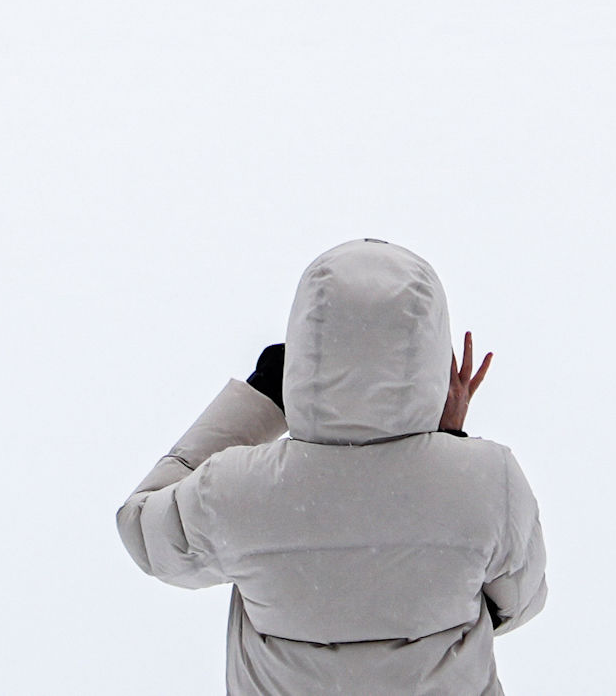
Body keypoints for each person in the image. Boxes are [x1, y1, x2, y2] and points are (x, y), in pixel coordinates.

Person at [118, 238, 546, 696]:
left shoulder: (239, 489)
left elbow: (143, 532)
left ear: (305, 350)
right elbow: (517, 603)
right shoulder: (488, 482)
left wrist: (259, 399)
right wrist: (443, 447)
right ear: (430, 352)